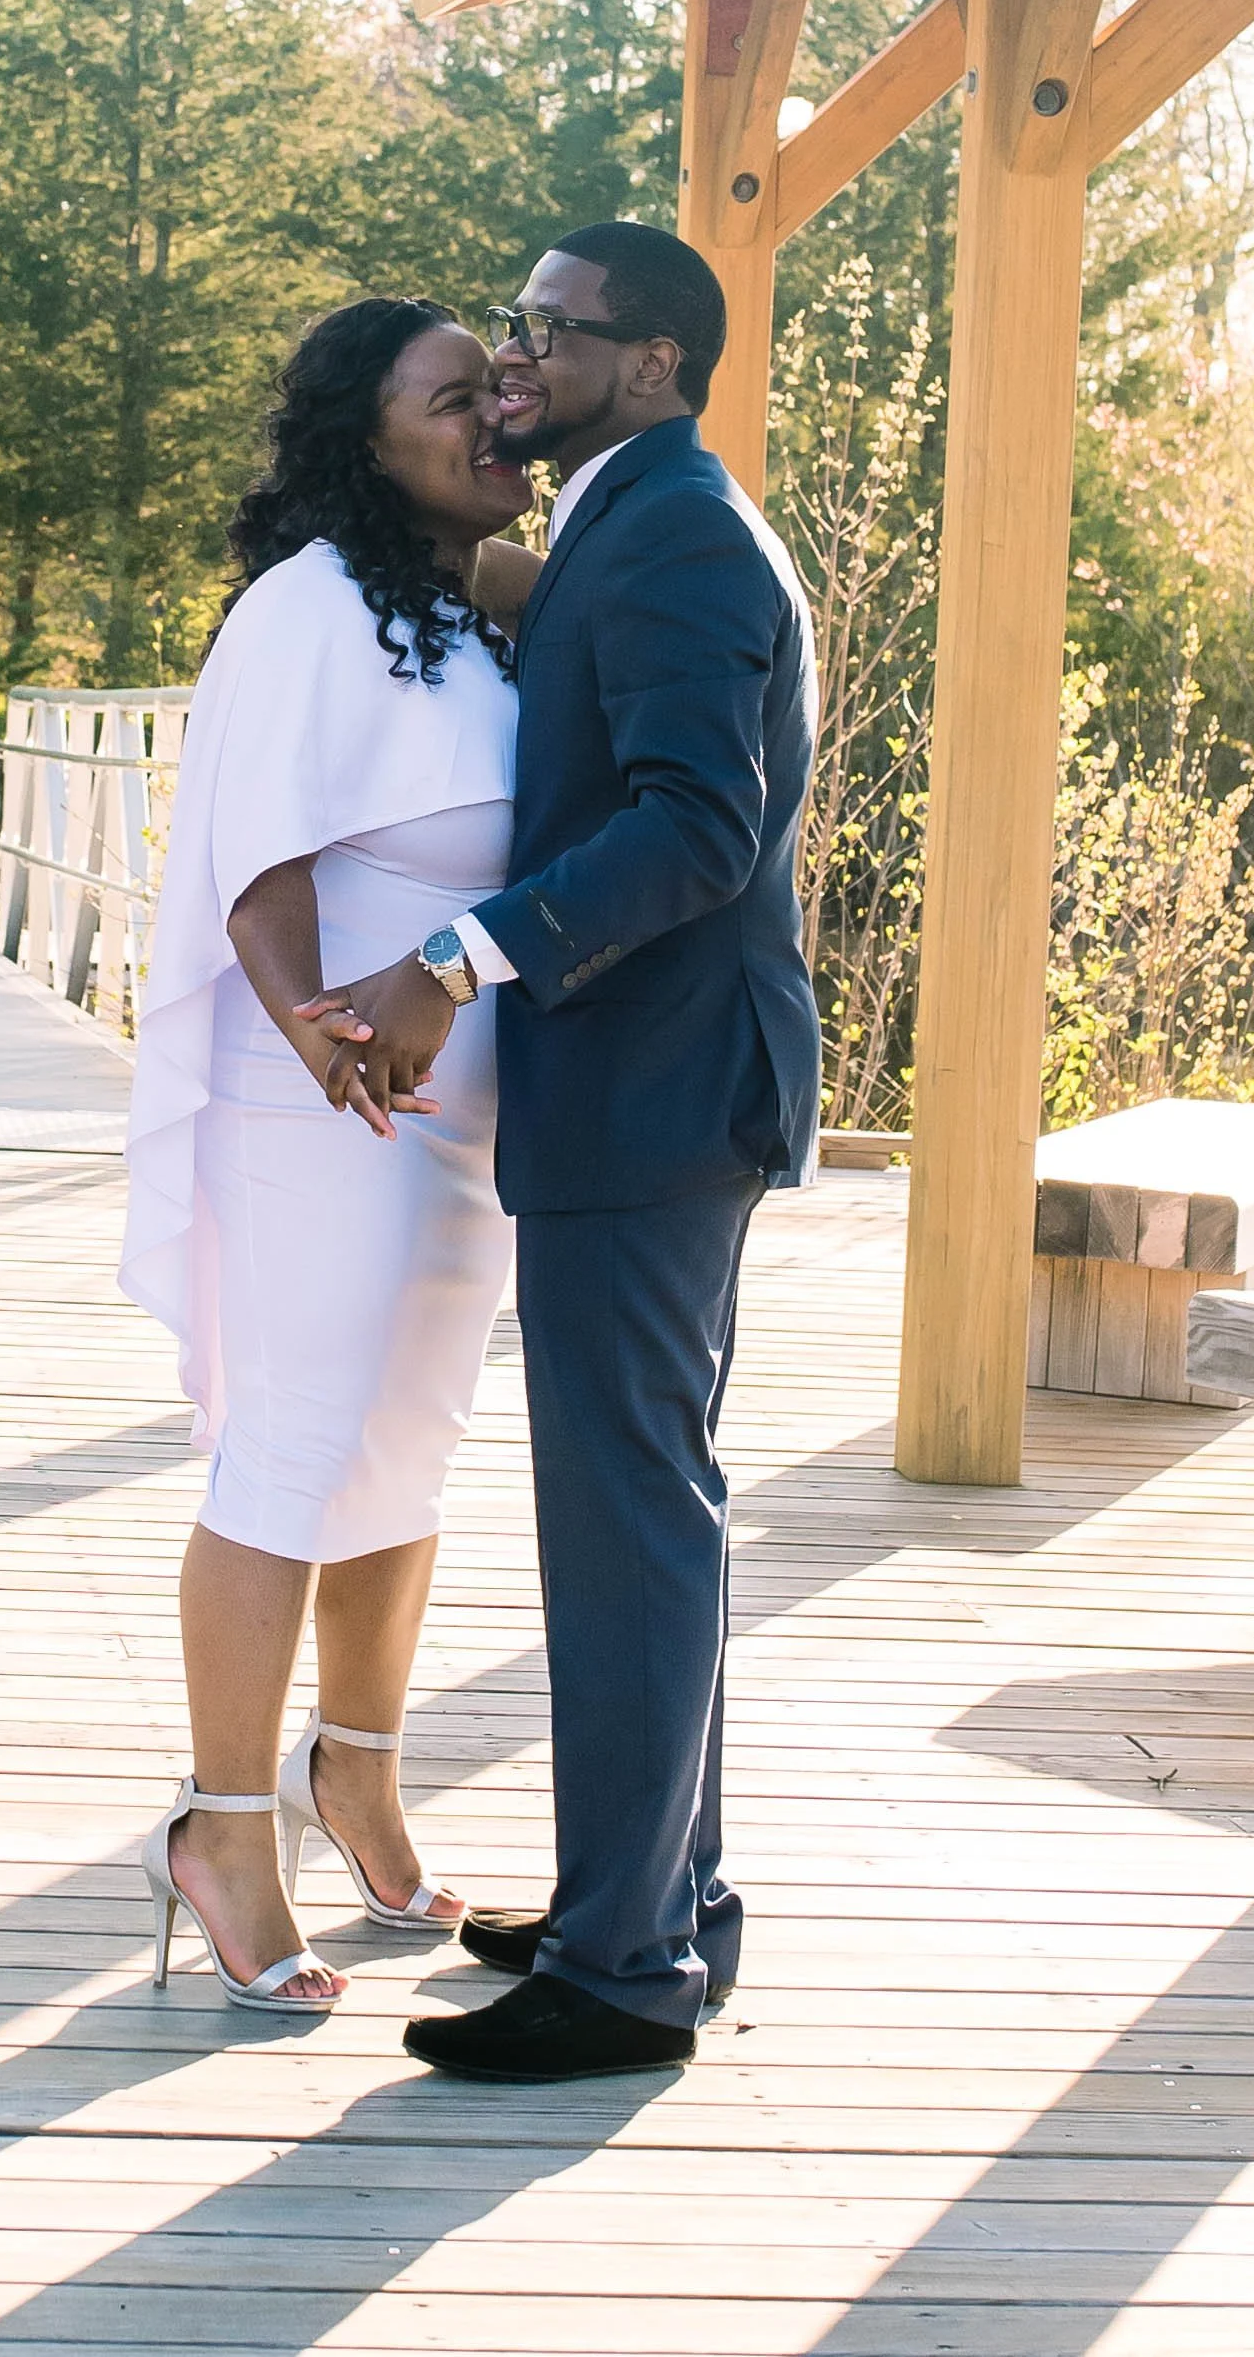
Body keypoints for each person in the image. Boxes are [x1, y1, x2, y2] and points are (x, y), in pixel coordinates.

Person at [305, 221, 819, 2082]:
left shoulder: (676, 524)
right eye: (509, 327)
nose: (515, 356)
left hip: (661, 1090)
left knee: (623, 1521)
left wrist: (457, 950)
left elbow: (695, 825)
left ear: (657, 364)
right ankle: (654, 1902)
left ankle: (619, 1974)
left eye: (549, 332)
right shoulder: (637, 513)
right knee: (641, 1506)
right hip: (659, 1088)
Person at [120, 297, 540, 2010]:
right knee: (295, 1441)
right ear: (363, 439)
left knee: (410, 1443)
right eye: (456, 399)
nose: (494, 420)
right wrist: (306, 1018)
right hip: (326, 1079)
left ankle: (352, 1764)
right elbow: (256, 840)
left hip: (456, 1103)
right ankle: (225, 1823)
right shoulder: (302, 613)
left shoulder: (484, 607)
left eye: (501, 393)